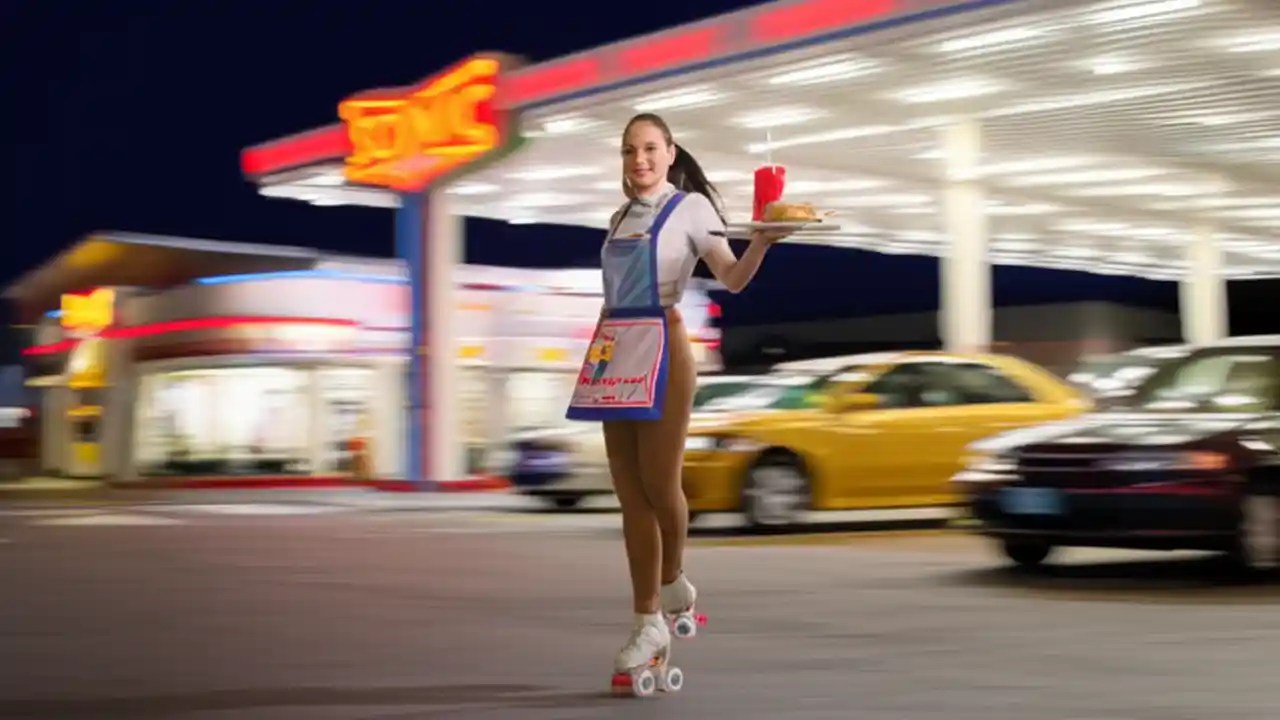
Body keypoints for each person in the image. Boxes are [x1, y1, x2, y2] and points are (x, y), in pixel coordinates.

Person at [565, 111, 788, 686]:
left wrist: (761, 241)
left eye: (649, 148)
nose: (638, 159)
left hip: (663, 348)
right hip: (615, 350)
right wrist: (597, 355)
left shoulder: (690, 209)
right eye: (628, 150)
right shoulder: (618, 217)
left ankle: (673, 581)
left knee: (660, 485)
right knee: (629, 496)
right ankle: (647, 623)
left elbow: (732, 278)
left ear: (669, 153)